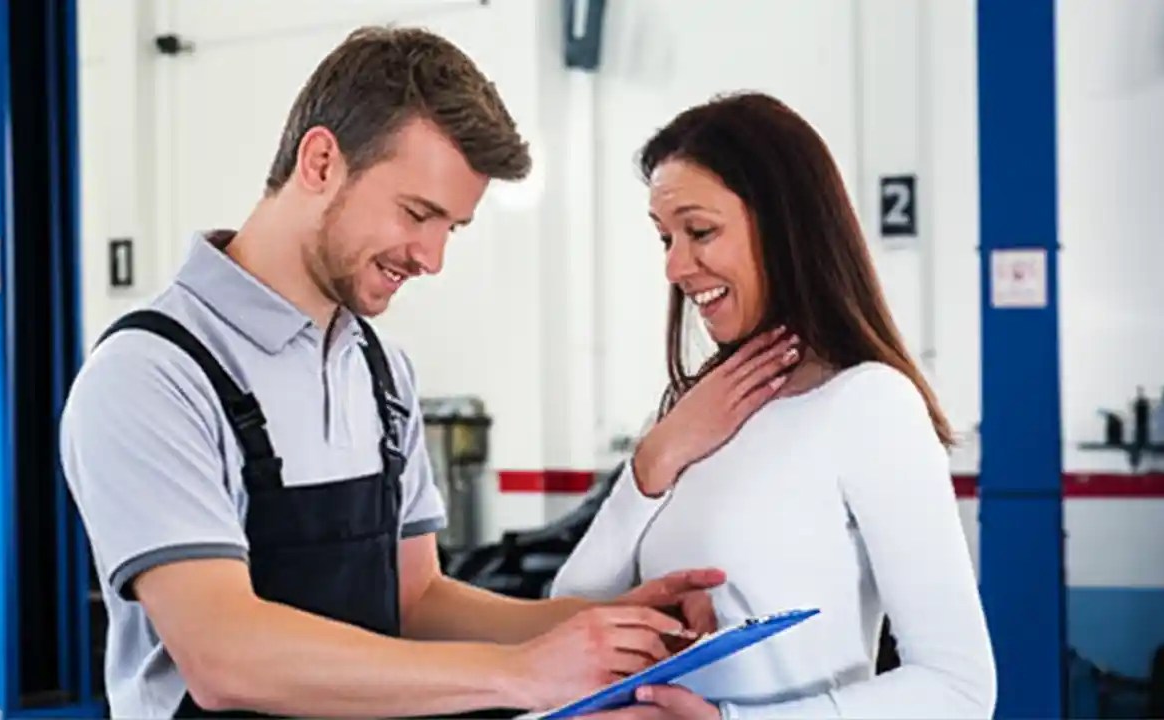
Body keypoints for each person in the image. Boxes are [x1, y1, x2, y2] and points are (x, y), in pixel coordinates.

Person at [59, 26, 791, 719]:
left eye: (452, 229)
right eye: (416, 213)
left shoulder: (380, 373)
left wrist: (611, 625)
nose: (431, 258)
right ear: (320, 163)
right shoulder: (154, 374)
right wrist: (520, 672)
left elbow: (417, 602)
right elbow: (225, 657)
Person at [549, 92, 997, 719]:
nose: (677, 266)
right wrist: (652, 463)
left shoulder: (867, 405)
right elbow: (565, 620)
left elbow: (959, 688)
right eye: (664, 239)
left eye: (699, 231)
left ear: (785, 225)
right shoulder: (685, 415)